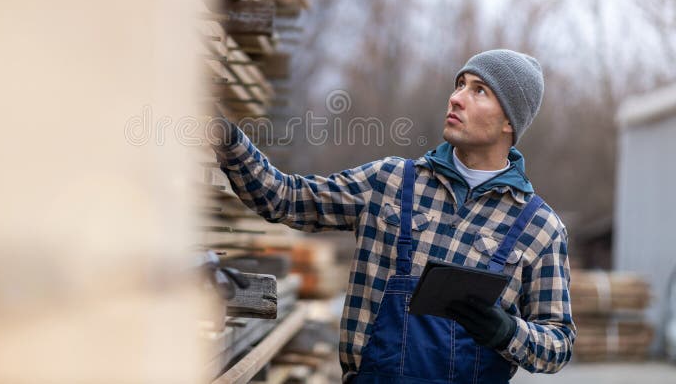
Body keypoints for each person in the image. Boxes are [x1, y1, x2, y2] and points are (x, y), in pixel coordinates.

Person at [209, 49, 575, 383]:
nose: (456, 98)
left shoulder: (539, 228)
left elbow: (559, 343)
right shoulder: (390, 182)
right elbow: (285, 198)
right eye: (460, 84)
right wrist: (228, 139)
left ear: (509, 121)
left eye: (479, 91)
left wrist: (507, 331)